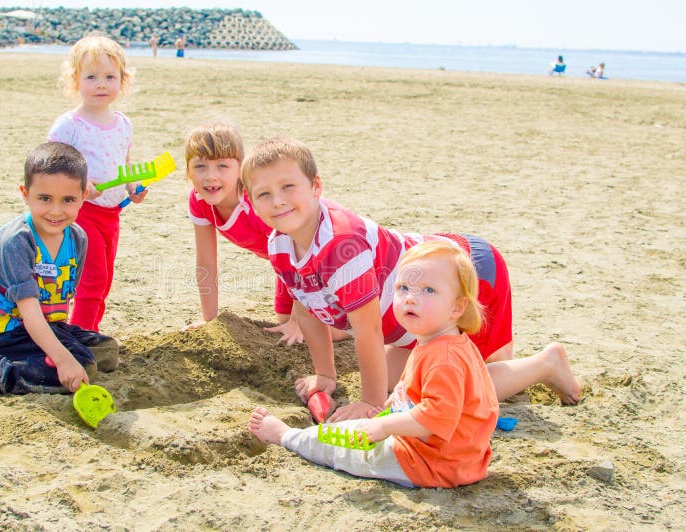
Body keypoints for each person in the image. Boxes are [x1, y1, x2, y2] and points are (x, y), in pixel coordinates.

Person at [240, 137, 581, 421]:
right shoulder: (279, 243)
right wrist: (326, 375)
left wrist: (370, 405)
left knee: (454, 392)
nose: (278, 201)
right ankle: (495, 359)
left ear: (316, 187)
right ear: (252, 202)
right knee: (397, 382)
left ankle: (547, 363)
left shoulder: (342, 246)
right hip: (416, 304)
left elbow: (368, 330)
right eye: (264, 194)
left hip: (464, 273)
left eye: (288, 186)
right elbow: (306, 310)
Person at [249, 240, 499, 488]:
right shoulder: (442, 342)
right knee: (356, 429)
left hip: (428, 462)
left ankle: (285, 436)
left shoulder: (445, 359)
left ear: (457, 307)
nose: (410, 298)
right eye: (403, 287)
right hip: (457, 458)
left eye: (429, 290)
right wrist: (398, 399)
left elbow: (436, 419)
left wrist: (384, 424)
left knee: (339, 447)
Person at [0, 142, 119, 405]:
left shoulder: (77, 237)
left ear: (84, 195)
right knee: (79, 368)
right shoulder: (16, 241)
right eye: (45, 198)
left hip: (44, 325)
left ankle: (47, 358)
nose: (56, 211)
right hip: (2, 333)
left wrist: (64, 347)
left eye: (68, 200)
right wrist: (64, 359)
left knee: (106, 350)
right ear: (25, 193)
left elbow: (63, 299)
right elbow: (29, 312)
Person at [184, 121, 348, 345]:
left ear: (240, 169)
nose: (211, 176)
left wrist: (299, 322)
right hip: (288, 269)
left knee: (319, 330)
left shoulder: (258, 203)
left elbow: (302, 253)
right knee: (283, 320)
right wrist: (210, 322)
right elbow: (206, 263)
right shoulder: (199, 201)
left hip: (326, 259)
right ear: (188, 171)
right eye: (200, 166)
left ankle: (360, 321)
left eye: (222, 166)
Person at [47, 34, 148, 332]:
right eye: (91, 77)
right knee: (91, 278)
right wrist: (79, 184)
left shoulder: (123, 123)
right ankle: (81, 336)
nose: (101, 84)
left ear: (122, 81)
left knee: (104, 280)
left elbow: (125, 163)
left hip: (112, 213)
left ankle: (89, 331)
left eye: (109, 77)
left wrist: (133, 187)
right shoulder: (70, 125)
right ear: (75, 80)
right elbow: (49, 166)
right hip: (81, 213)